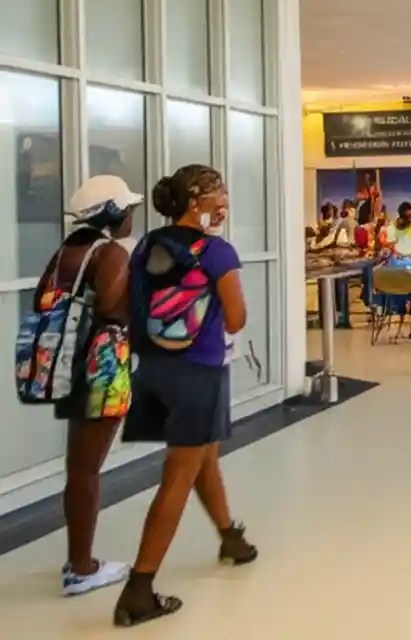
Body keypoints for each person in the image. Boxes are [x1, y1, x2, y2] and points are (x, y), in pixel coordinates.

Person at [115, 165, 256, 627]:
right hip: (199, 373)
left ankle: (230, 537)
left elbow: (125, 303)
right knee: (178, 474)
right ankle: (140, 588)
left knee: (203, 458)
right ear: (197, 201)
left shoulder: (147, 245)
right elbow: (235, 320)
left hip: (153, 370)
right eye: (219, 195)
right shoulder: (216, 252)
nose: (224, 203)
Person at [20, 176, 140, 597]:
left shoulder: (67, 251)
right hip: (100, 367)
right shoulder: (109, 253)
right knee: (87, 470)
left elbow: (42, 298)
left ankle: (79, 559)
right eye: (126, 209)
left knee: (79, 466)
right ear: (111, 213)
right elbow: (111, 306)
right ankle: (82, 567)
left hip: (66, 366)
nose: (131, 215)